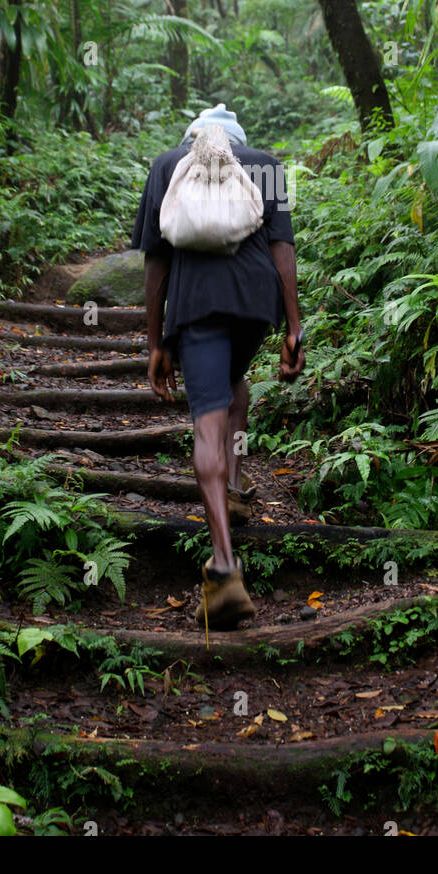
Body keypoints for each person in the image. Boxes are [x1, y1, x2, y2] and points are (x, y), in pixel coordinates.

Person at [131, 103, 305, 630]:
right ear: (237, 139)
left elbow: (156, 261)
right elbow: (283, 251)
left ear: (193, 138)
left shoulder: (167, 166)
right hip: (256, 303)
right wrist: (294, 327)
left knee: (206, 416)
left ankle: (225, 567)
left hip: (198, 304)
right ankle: (233, 481)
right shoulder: (267, 163)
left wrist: (155, 340)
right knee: (232, 385)